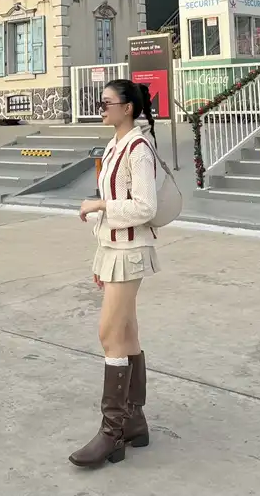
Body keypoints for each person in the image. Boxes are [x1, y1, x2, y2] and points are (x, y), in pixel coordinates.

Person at [69, 79, 159, 468]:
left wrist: (100, 205)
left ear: (127, 108)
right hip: (114, 249)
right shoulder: (114, 145)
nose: (100, 108)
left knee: (109, 336)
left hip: (130, 251)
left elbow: (145, 207)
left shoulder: (138, 148)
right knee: (126, 334)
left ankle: (113, 431)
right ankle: (133, 422)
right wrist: (100, 256)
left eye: (106, 102)